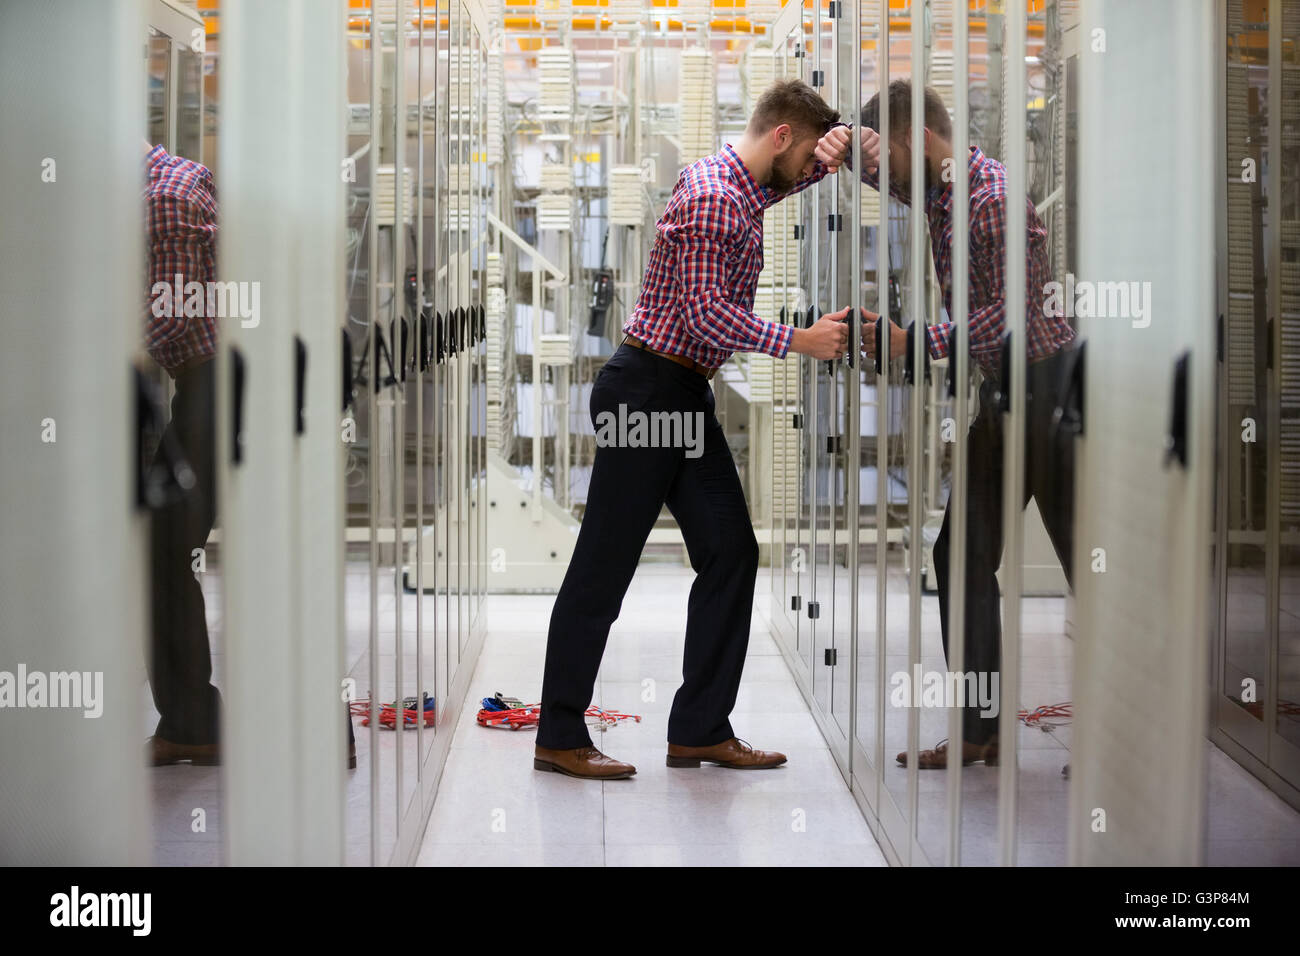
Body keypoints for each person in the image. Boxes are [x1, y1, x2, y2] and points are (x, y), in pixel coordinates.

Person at [533, 80, 854, 780]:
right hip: (648, 395)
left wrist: (833, 153)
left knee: (731, 551)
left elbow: (778, 190)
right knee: (605, 566)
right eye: (802, 159)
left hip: (676, 393)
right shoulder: (715, 197)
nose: (802, 177)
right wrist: (797, 340)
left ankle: (701, 729)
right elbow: (707, 314)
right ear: (779, 137)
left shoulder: (736, 185)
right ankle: (558, 733)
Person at [854, 80, 1078, 769]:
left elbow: (1012, 318)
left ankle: (1128, 743)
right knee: (960, 558)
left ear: (919, 143)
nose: (886, 183)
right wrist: (841, 146)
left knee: (1093, 568)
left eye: (886, 164)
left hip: (1052, 394)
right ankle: (980, 731)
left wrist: (909, 341)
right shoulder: (942, 191)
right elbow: (889, 175)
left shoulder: (991, 200)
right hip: (1007, 398)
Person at [143, 141, 223, 765]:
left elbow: (173, 316)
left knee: (165, 555)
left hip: (216, 389)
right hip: (211, 386)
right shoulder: (171, 180)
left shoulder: (160, 197)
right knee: (170, 551)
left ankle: (192, 725)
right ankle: (191, 720)